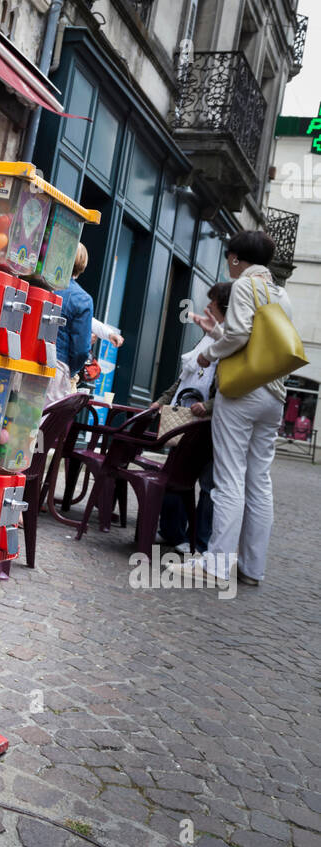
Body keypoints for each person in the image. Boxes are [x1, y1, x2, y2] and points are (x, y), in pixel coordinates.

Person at [183, 230, 293, 589]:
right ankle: (251, 568)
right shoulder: (281, 294)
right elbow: (259, 343)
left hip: (242, 392)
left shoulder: (245, 287)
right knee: (259, 481)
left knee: (228, 477)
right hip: (273, 394)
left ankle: (215, 566)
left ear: (234, 259)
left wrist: (207, 351)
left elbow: (240, 337)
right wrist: (216, 333)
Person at [150, 281, 232, 553]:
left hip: (208, 425)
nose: (207, 307)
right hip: (183, 417)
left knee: (206, 484)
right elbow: (185, 377)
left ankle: (200, 540)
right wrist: (162, 401)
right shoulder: (207, 338)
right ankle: (172, 531)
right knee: (175, 476)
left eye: (212, 303)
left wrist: (208, 406)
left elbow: (231, 386)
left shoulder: (231, 341)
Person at [46, 242, 93, 405]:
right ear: (83, 264)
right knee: (44, 424)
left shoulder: (43, 283)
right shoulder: (82, 299)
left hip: (24, 358)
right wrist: (70, 371)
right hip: (57, 366)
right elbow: (81, 350)